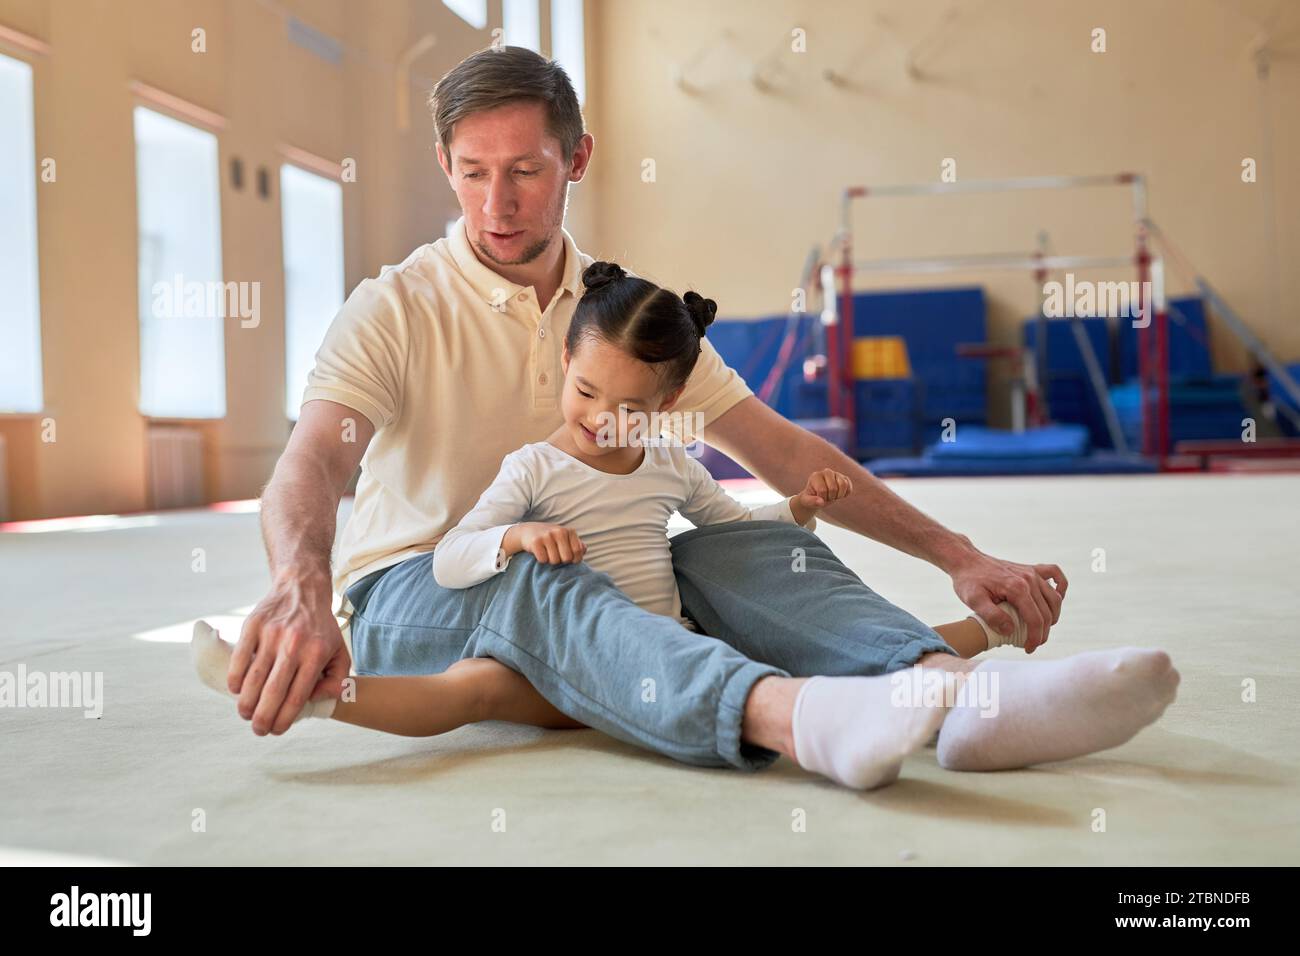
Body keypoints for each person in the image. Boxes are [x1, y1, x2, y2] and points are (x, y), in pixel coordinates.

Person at [197, 260, 1180, 790]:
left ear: (573, 160)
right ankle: (797, 716)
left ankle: (951, 689)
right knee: (546, 593)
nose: (498, 201)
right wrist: (301, 588)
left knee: (731, 542)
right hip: (419, 584)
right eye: (474, 171)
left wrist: (956, 555)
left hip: (618, 612)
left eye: (526, 170)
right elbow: (316, 460)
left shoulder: (629, 321)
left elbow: (781, 463)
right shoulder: (399, 305)